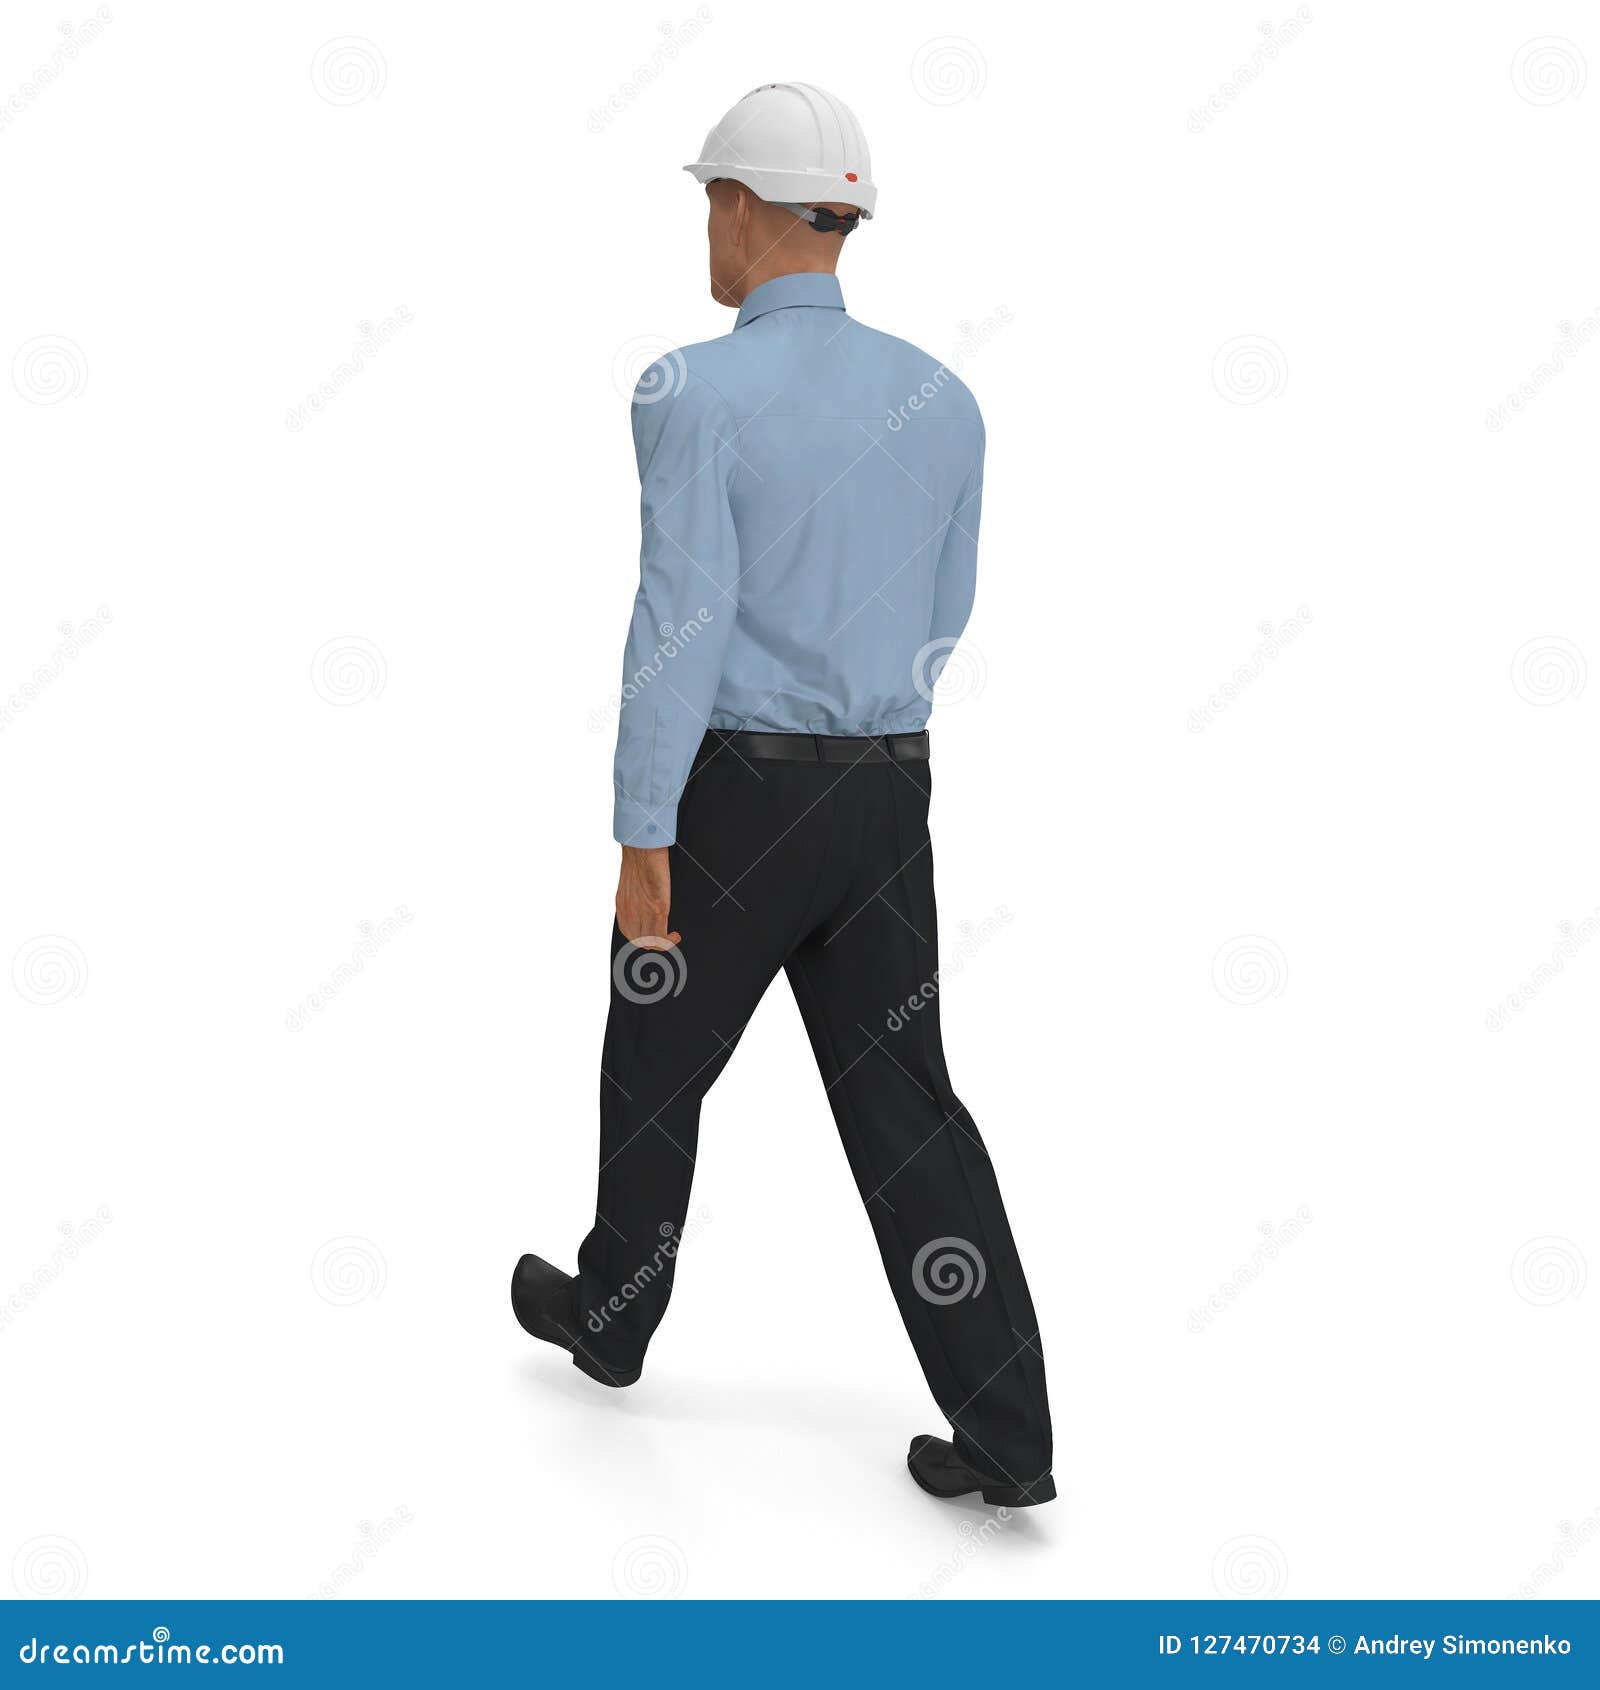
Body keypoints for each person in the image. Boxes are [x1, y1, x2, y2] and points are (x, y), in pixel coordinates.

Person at [513, 82, 1054, 1507]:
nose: (708, 229)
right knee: (908, 1104)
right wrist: (878, 742)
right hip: (888, 793)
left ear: (743, 212)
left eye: (710, 203)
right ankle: (1011, 1434)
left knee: (654, 1058)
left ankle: (613, 1314)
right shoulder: (948, 399)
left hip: (738, 794)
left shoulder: (694, 390)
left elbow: (679, 616)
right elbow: (948, 607)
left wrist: (644, 828)